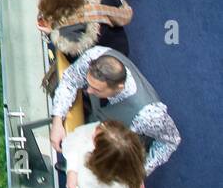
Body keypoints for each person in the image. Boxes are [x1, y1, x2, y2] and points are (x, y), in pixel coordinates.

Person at [49, 48, 180, 175]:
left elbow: (170, 141)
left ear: (119, 87)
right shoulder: (95, 57)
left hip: (120, 143)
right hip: (96, 123)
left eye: (96, 89)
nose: (88, 91)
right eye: (88, 84)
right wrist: (57, 120)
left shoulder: (149, 115)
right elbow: (71, 80)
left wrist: (139, 173)